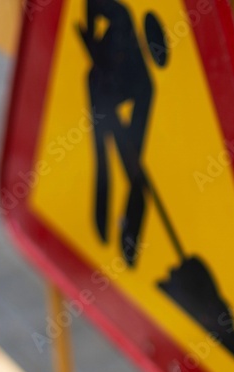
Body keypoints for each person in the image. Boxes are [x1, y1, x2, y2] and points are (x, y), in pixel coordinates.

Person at [79, 1, 168, 265]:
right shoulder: (120, 18)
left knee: (136, 179)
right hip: (101, 90)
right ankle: (106, 230)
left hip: (127, 92)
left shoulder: (146, 82)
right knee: (103, 166)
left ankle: (127, 243)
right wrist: (93, 40)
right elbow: (91, 7)